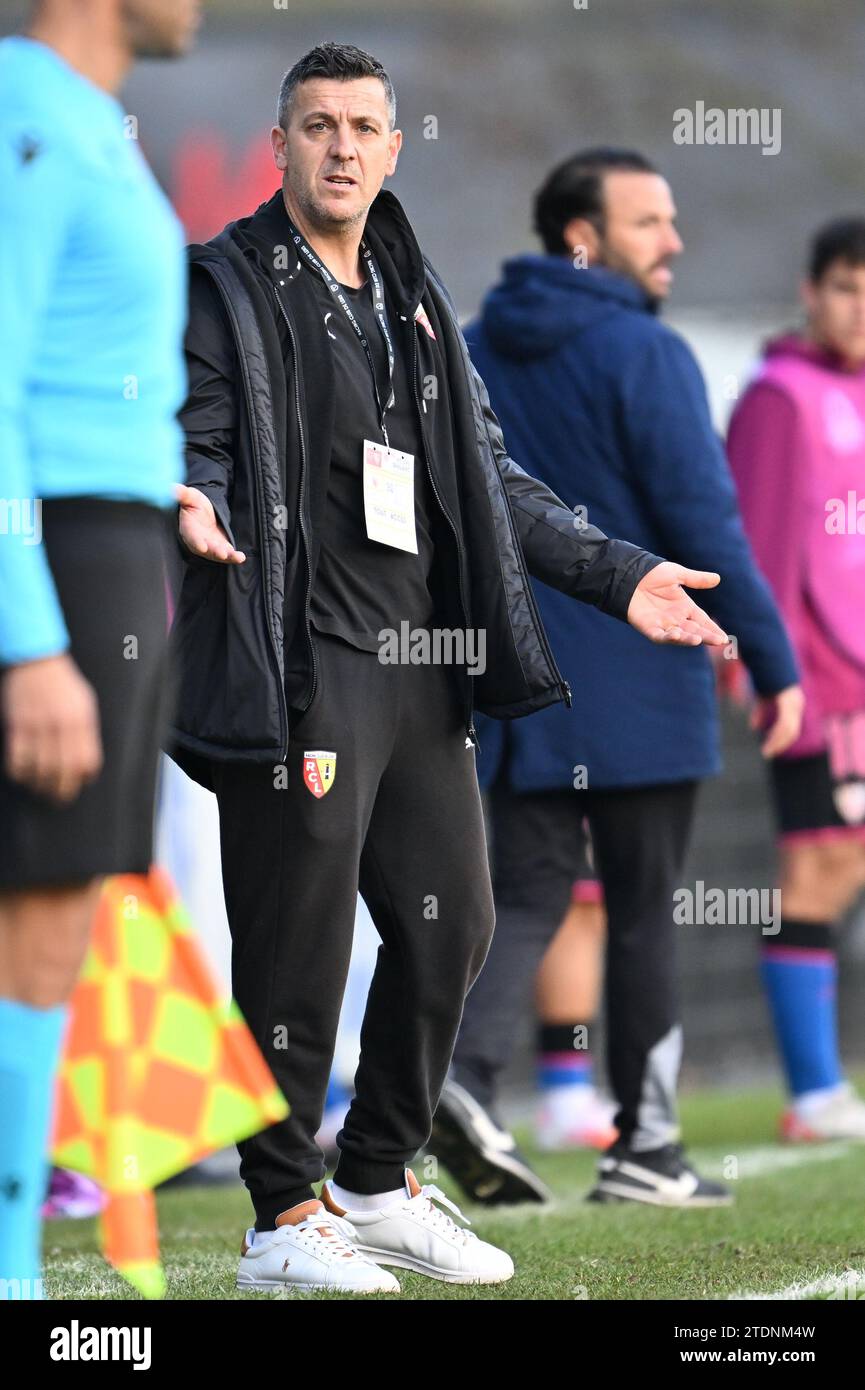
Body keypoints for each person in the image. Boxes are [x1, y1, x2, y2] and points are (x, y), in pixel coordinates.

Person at [168, 52, 729, 1292]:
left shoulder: (413, 298)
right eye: (317, 126)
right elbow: (194, 432)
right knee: (296, 952)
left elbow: (489, 474)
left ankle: (375, 1174)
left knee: (452, 928)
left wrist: (615, 570)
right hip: (296, 662)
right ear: (280, 145)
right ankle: (280, 1218)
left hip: (421, 667)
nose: (342, 149)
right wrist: (195, 500)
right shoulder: (225, 285)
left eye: (364, 126)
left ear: (394, 144)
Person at [434, 147, 803, 1209]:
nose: (674, 243)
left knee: (529, 893)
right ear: (584, 238)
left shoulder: (467, 348)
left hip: (512, 675)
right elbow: (705, 522)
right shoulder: (647, 351)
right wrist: (771, 661)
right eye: (650, 223)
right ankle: (646, 1146)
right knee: (642, 907)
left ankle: (459, 1080)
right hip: (642, 666)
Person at [0, 0, 200, 1299]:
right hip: (55, 558)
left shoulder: (94, 123)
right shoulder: (26, 113)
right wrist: (29, 640)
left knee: (59, 917)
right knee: (33, 910)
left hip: (112, 544)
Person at [726, 217, 865, 1141]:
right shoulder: (777, 396)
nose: (860, 310)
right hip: (820, 686)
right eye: (848, 288)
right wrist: (760, 671)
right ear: (812, 291)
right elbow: (756, 547)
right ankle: (812, 1092)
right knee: (816, 867)